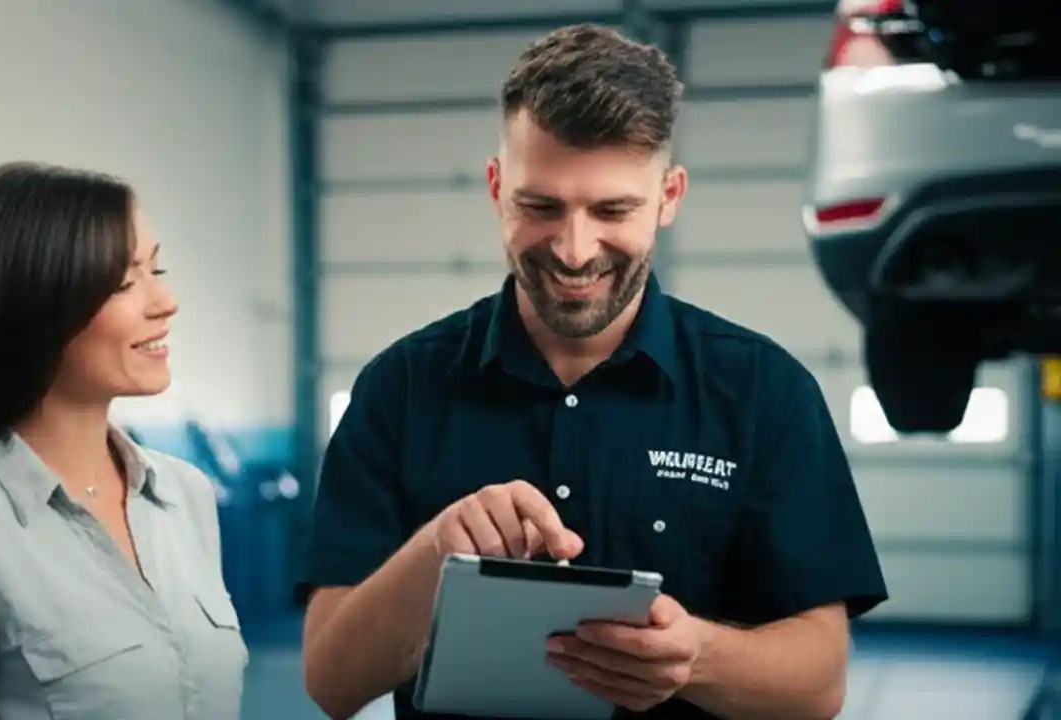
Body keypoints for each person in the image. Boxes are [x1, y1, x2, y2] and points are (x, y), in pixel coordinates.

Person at [298, 24, 887, 720]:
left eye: (613, 210)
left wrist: (694, 655)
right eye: (540, 206)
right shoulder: (399, 389)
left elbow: (820, 685)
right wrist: (435, 553)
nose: (575, 251)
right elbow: (330, 682)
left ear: (669, 196)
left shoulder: (765, 392)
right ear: (496, 188)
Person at [0, 162, 248, 720]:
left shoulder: (184, 497)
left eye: (156, 268)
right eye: (123, 281)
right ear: (33, 306)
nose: (165, 301)